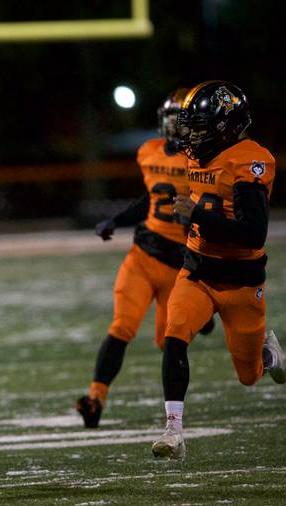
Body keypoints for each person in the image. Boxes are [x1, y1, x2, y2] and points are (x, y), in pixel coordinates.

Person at [152, 80, 285, 459]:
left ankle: (269, 354)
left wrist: (198, 216)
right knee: (174, 334)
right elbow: (198, 205)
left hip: (241, 280)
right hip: (197, 270)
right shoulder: (197, 155)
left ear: (225, 126)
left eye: (200, 124)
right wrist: (190, 223)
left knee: (249, 375)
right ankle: (173, 430)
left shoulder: (249, 161)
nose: (191, 133)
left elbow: (252, 234)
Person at [76, 89, 214, 428]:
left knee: (168, 341)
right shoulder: (148, 152)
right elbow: (149, 200)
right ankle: (96, 399)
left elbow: (215, 209)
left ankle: (173, 414)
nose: (176, 130)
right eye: (172, 122)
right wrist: (117, 221)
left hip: (180, 266)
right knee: (121, 326)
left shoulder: (203, 162)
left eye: (181, 123)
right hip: (142, 257)